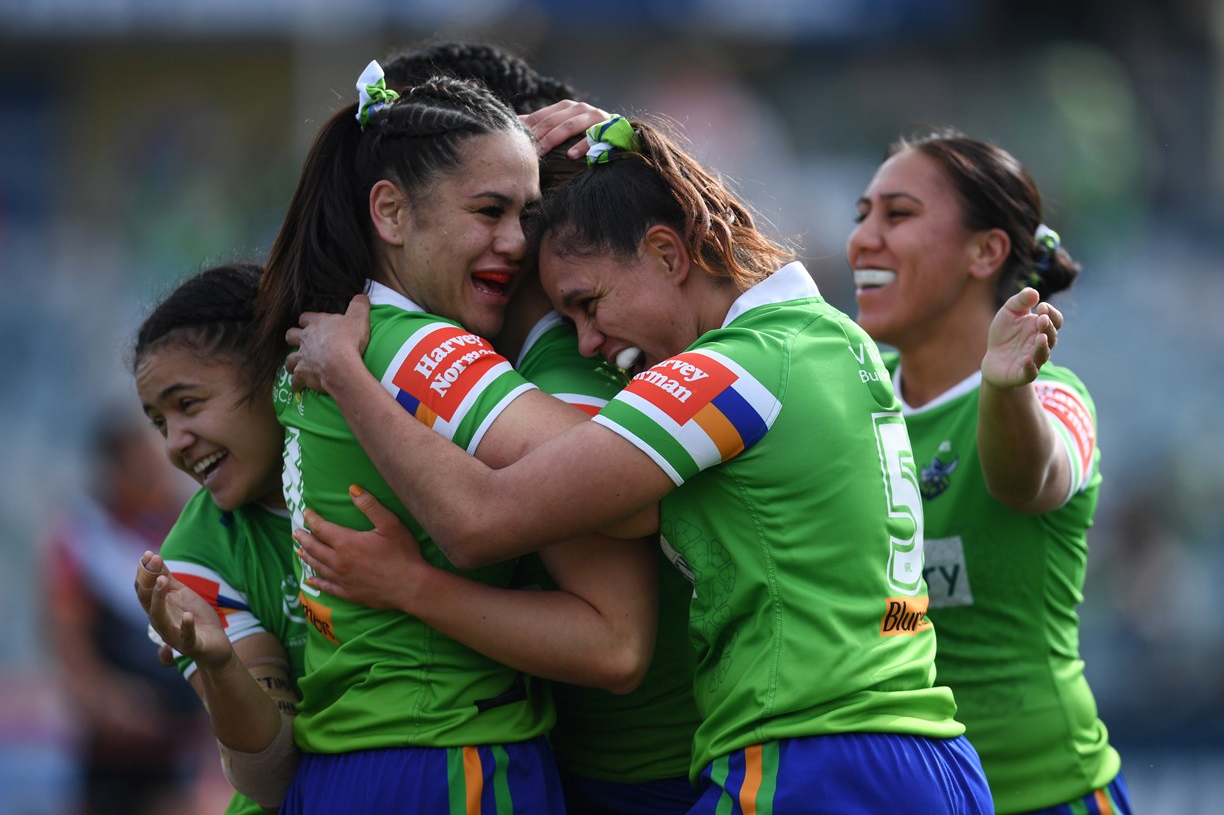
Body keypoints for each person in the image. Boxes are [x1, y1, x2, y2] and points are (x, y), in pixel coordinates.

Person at [285, 114, 994, 813]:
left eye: (588, 304)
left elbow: (479, 520)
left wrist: (346, 372)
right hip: (927, 748)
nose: (589, 343)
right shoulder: (832, 336)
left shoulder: (732, 372)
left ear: (666, 252)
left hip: (815, 758)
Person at [295, 40, 703, 815]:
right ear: (392, 206)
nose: (513, 238)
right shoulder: (397, 339)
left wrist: (413, 585)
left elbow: (611, 615)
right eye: (488, 207)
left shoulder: (545, 358)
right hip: (442, 756)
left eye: (525, 208)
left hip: (637, 769)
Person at [847, 127, 1130, 814]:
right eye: (863, 215)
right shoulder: (851, 394)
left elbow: (1027, 481)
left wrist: (1004, 392)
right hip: (909, 797)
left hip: (1048, 795)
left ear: (986, 250)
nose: (862, 240)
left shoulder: (1054, 396)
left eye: (899, 214)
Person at [131, 262, 309, 815]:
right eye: (160, 422)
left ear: (271, 368)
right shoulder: (189, 562)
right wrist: (220, 663)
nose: (175, 445)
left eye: (188, 405)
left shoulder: (386, 457)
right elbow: (271, 777)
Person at [43, 404, 208, 815]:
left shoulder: (181, 525)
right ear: (114, 470)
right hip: (113, 749)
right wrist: (107, 700)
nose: (158, 472)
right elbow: (70, 642)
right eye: (142, 464)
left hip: (176, 740)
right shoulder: (82, 539)